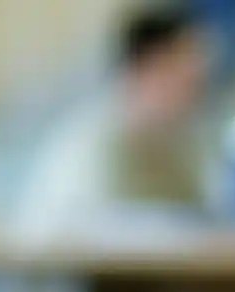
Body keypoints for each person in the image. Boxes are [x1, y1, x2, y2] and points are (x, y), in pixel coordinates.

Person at [13, 2, 223, 240]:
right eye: (186, 79)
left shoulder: (193, 150)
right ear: (145, 67)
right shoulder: (86, 143)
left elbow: (219, 223)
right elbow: (48, 235)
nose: (194, 96)